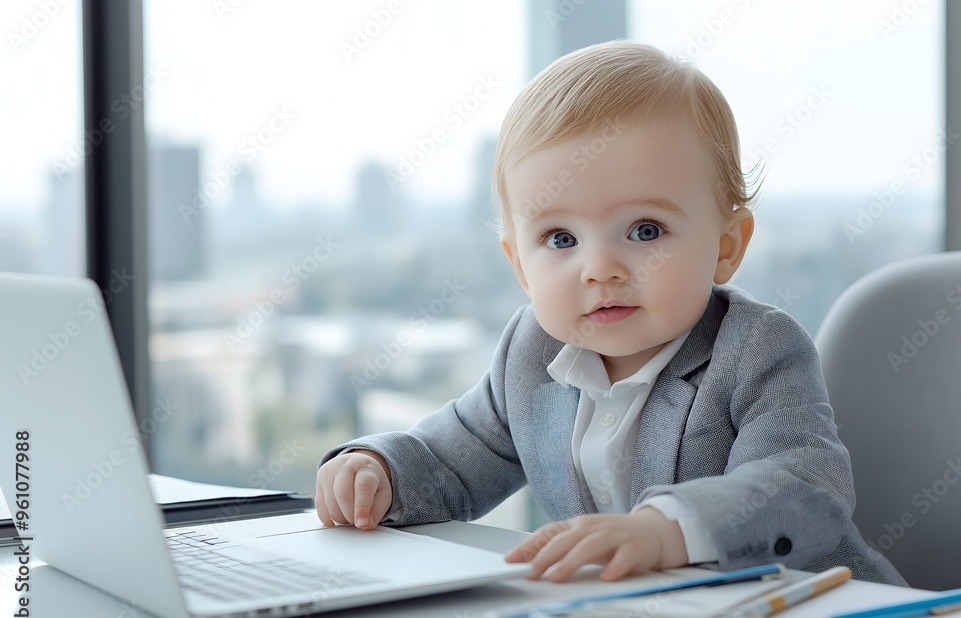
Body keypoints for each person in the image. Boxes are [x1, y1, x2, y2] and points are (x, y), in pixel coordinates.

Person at [315, 40, 906, 586]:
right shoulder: (531, 352)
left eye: (645, 230)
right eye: (560, 239)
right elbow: (453, 457)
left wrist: (668, 529)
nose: (599, 268)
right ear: (520, 266)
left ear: (726, 246)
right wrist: (378, 471)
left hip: (811, 616)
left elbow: (802, 481)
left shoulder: (757, 348)